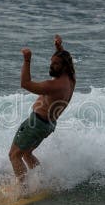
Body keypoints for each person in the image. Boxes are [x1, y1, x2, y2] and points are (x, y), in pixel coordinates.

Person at [8, 34, 76, 185]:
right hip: (48, 125)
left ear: (64, 66)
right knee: (27, 153)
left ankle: (23, 189)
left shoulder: (54, 86)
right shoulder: (71, 79)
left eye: (56, 64)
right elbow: (68, 62)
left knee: (14, 155)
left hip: (36, 124)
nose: (51, 66)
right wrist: (59, 48)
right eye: (52, 62)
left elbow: (25, 83)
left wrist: (27, 60)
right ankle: (41, 182)